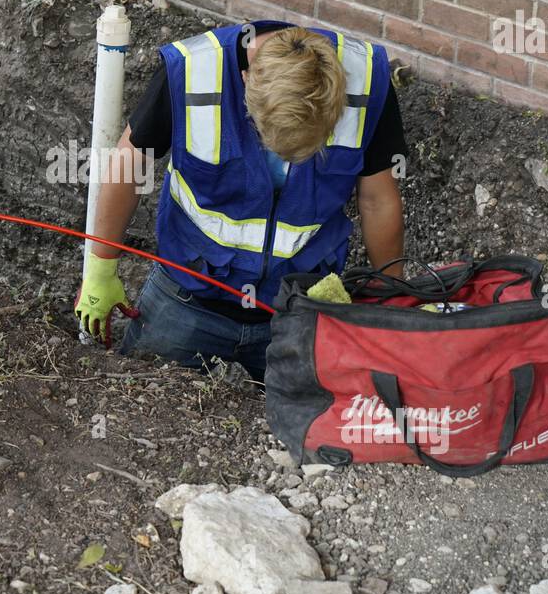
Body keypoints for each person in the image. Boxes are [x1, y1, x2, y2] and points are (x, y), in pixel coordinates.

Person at [74, 20, 407, 381]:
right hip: (187, 297)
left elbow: (377, 199)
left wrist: (390, 302)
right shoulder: (192, 70)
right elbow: (128, 164)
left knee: (311, 424)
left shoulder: (366, 83)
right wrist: (101, 266)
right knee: (139, 394)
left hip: (295, 309)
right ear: (246, 81)